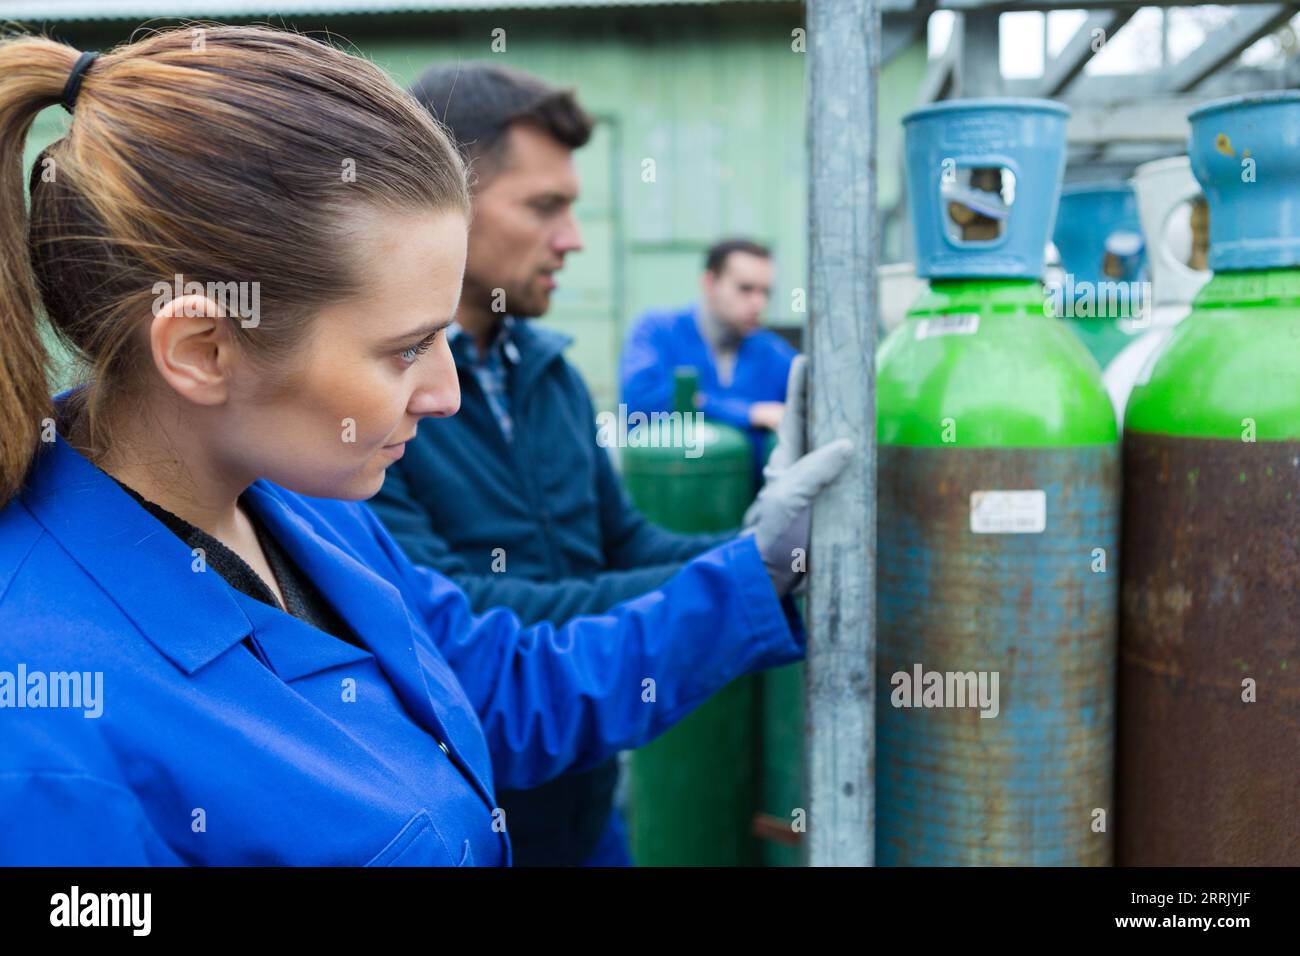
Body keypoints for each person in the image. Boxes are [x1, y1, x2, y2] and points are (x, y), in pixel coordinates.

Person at [0, 27, 852, 866]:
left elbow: (495, 687)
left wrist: (759, 568)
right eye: (406, 348)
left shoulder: (308, 511)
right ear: (203, 351)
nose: (445, 392)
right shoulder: (45, 743)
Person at [368, 63, 747, 866]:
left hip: (587, 804)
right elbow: (458, 619)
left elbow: (622, 543)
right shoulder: (377, 401)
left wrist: (771, 547)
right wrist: (743, 585)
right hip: (465, 823)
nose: (572, 239)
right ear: (445, 201)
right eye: (545, 207)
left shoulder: (549, 375)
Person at [619, 239, 797, 476]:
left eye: (765, 292)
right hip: (670, 490)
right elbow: (643, 398)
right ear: (709, 283)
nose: (758, 303)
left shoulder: (773, 353)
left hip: (748, 501)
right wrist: (749, 413)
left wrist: (700, 403)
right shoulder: (657, 331)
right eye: (745, 289)